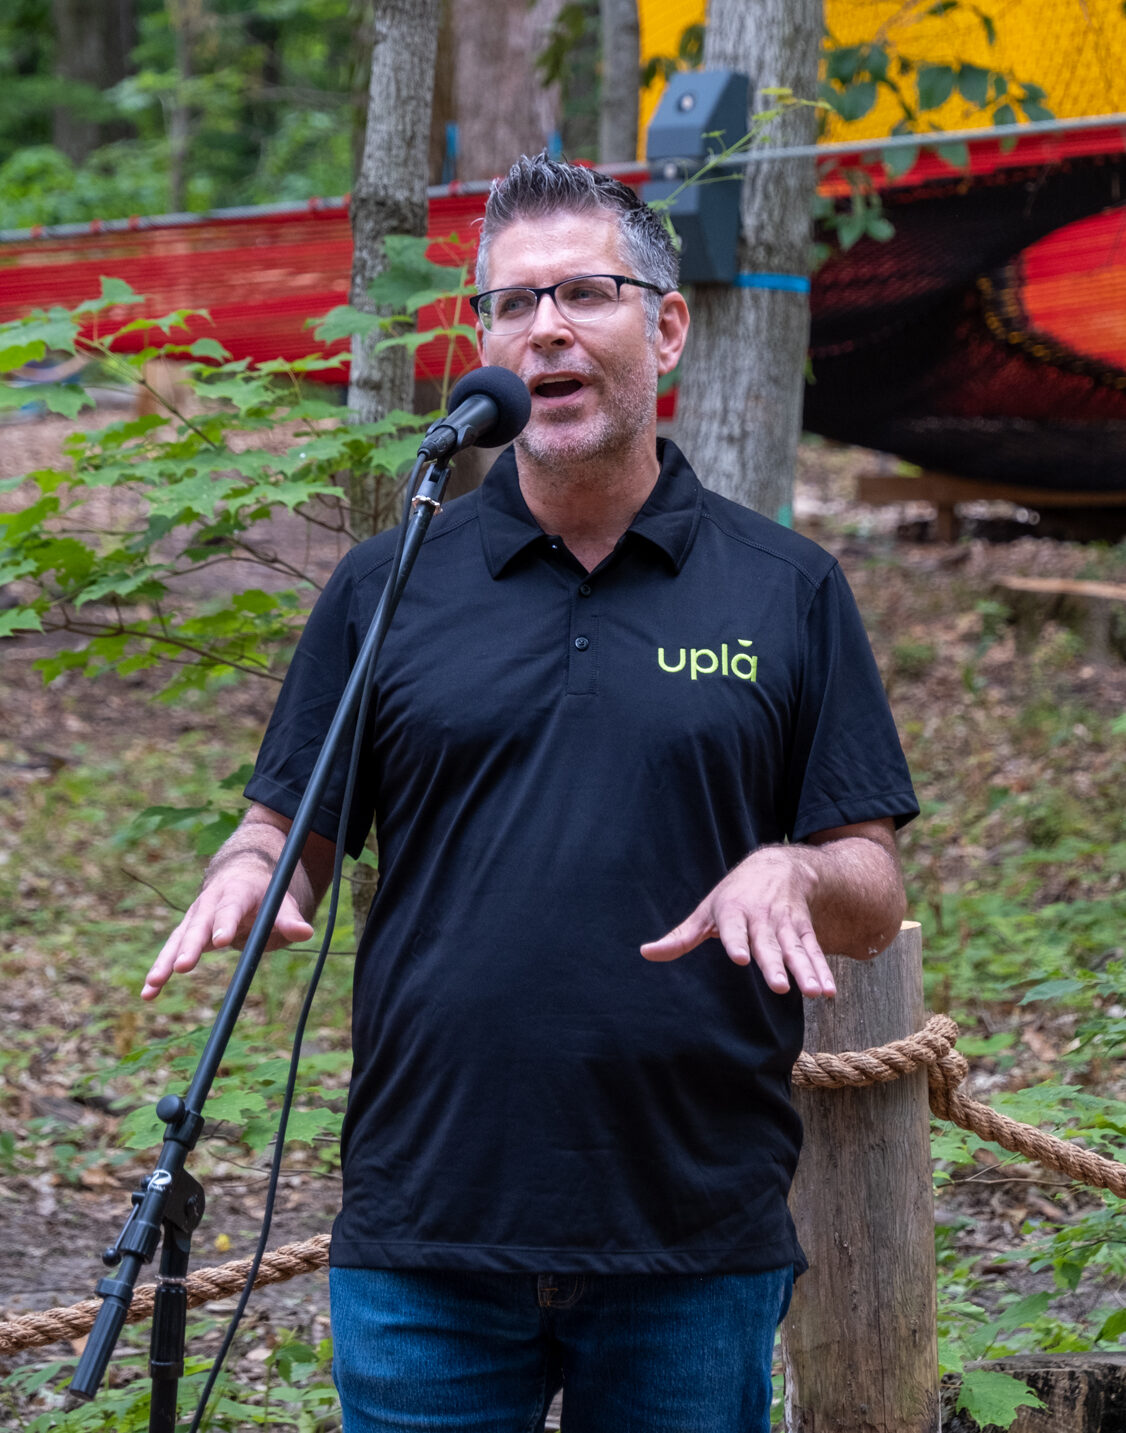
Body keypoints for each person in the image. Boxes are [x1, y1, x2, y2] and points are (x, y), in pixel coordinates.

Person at [142, 153, 918, 1433]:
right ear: (486, 345)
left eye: (585, 293)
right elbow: (288, 823)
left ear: (665, 325)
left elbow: (873, 886)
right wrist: (249, 860)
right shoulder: (389, 583)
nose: (544, 327)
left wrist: (796, 867)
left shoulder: (785, 588)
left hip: (690, 1232)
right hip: (426, 1229)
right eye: (512, 304)